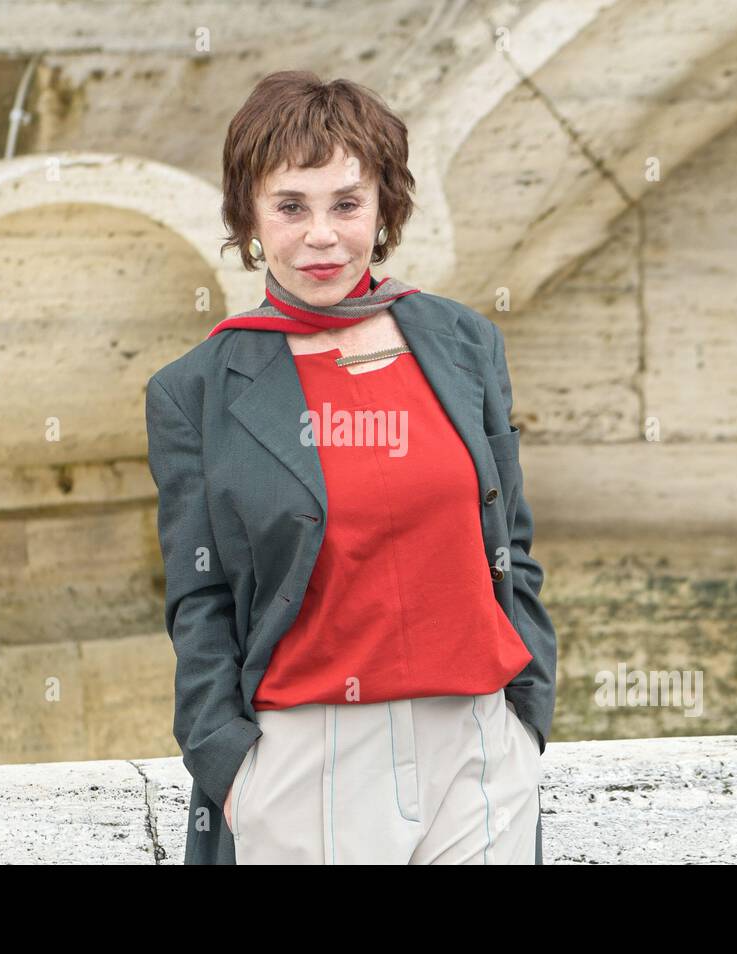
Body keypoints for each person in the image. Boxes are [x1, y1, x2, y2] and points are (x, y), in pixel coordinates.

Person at [144, 70, 557, 864]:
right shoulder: (194, 391)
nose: (322, 235)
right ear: (249, 215)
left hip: (478, 750)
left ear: (383, 208)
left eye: (346, 203)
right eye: (290, 206)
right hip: (309, 762)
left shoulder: (465, 344)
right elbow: (199, 600)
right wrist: (235, 771)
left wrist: (525, 715)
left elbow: (512, 542)